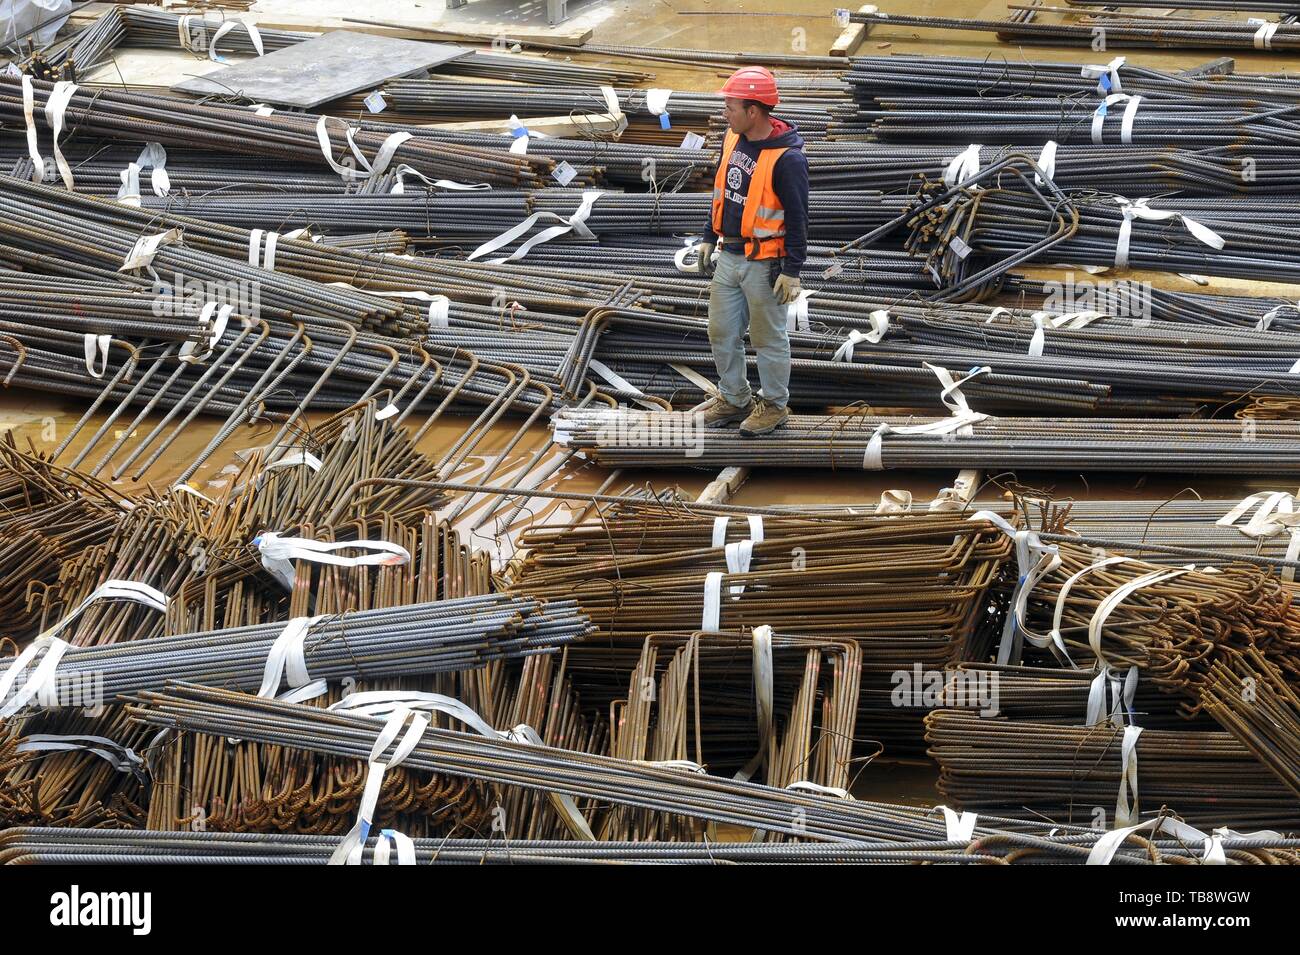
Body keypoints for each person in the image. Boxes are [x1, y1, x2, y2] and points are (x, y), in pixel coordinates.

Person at [695, 65, 809, 436]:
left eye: (730, 106)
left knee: (767, 338)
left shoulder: (787, 159)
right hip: (729, 255)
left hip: (765, 264)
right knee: (721, 330)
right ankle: (734, 397)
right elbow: (722, 193)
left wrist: (792, 269)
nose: (724, 113)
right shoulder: (733, 138)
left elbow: (798, 216)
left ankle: (774, 405)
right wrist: (708, 237)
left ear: (753, 110)